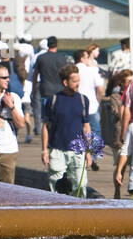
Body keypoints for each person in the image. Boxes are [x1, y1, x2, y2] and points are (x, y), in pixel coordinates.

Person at [42, 63, 93, 197]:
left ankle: (79, 213)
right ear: (65, 82)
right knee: (56, 185)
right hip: (57, 149)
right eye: (74, 81)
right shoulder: (53, 100)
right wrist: (44, 150)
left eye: (79, 81)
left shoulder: (83, 100)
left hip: (78, 150)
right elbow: (45, 127)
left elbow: (86, 127)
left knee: (80, 185)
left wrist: (88, 151)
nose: (78, 84)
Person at [104, 68, 133, 198]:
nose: (132, 84)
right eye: (129, 81)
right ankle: (117, 190)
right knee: (120, 166)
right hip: (119, 137)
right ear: (122, 83)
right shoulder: (115, 97)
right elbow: (117, 114)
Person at [76, 45, 106, 169]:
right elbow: (100, 89)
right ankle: (93, 157)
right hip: (92, 105)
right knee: (95, 131)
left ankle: (79, 154)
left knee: (78, 131)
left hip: (76, 104)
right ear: (83, 59)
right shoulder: (91, 70)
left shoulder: (72, 70)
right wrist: (98, 101)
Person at [32, 37, 66, 135]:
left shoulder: (41, 58)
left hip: (45, 90)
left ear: (47, 45)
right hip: (60, 90)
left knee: (46, 118)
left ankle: (46, 138)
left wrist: (34, 89)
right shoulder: (62, 58)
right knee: (59, 115)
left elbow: (35, 74)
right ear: (56, 45)